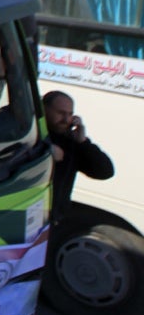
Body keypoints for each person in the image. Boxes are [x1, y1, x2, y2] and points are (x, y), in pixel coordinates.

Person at [43, 90, 114, 224]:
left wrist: (83, 142)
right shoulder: (28, 132)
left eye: (70, 114)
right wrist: (45, 150)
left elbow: (105, 171)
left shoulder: (71, 142)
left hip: (53, 219)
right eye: (60, 113)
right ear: (44, 109)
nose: (65, 119)